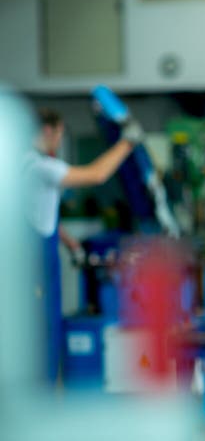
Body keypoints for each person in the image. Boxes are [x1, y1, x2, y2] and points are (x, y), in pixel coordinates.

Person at [25, 107, 143, 384]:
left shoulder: (22, 166)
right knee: (43, 341)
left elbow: (39, 213)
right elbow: (97, 174)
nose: (58, 143)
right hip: (37, 271)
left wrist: (71, 244)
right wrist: (128, 141)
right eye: (59, 136)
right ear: (48, 131)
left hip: (37, 262)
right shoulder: (41, 168)